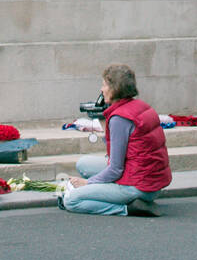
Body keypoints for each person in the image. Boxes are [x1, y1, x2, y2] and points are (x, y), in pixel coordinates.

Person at [61, 64, 171, 216]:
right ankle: (111, 193)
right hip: (149, 180)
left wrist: (87, 183)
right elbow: (118, 154)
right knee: (83, 164)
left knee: (72, 200)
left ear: (115, 88)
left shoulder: (120, 118)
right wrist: (103, 123)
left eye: (104, 84)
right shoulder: (139, 106)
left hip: (138, 187)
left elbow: (115, 169)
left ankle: (128, 208)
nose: (101, 89)